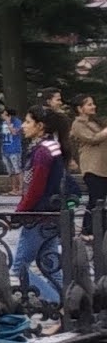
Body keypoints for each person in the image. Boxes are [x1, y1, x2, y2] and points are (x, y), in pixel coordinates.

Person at [11, 106, 66, 306]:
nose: (23, 126)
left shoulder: (42, 152)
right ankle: (73, 304)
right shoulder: (52, 146)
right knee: (50, 264)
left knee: (20, 268)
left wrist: (20, 211)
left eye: (27, 122)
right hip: (51, 213)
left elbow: (35, 187)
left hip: (38, 215)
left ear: (40, 126)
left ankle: (57, 304)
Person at [70, 94, 107, 237]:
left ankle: (98, 228)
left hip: (103, 166)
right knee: (95, 199)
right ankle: (87, 230)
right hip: (92, 167)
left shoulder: (95, 122)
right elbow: (92, 139)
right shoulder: (78, 124)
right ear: (80, 108)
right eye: (89, 104)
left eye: (93, 104)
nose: (93, 106)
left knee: (100, 199)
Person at [1, 109, 25, 176]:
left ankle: (20, 186)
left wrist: (9, 123)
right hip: (5, 149)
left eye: (5, 114)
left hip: (14, 149)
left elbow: (14, 133)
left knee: (17, 170)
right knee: (10, 172)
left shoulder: (17, 122)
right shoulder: (3, 123)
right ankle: (13, 186)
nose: (2, 115)